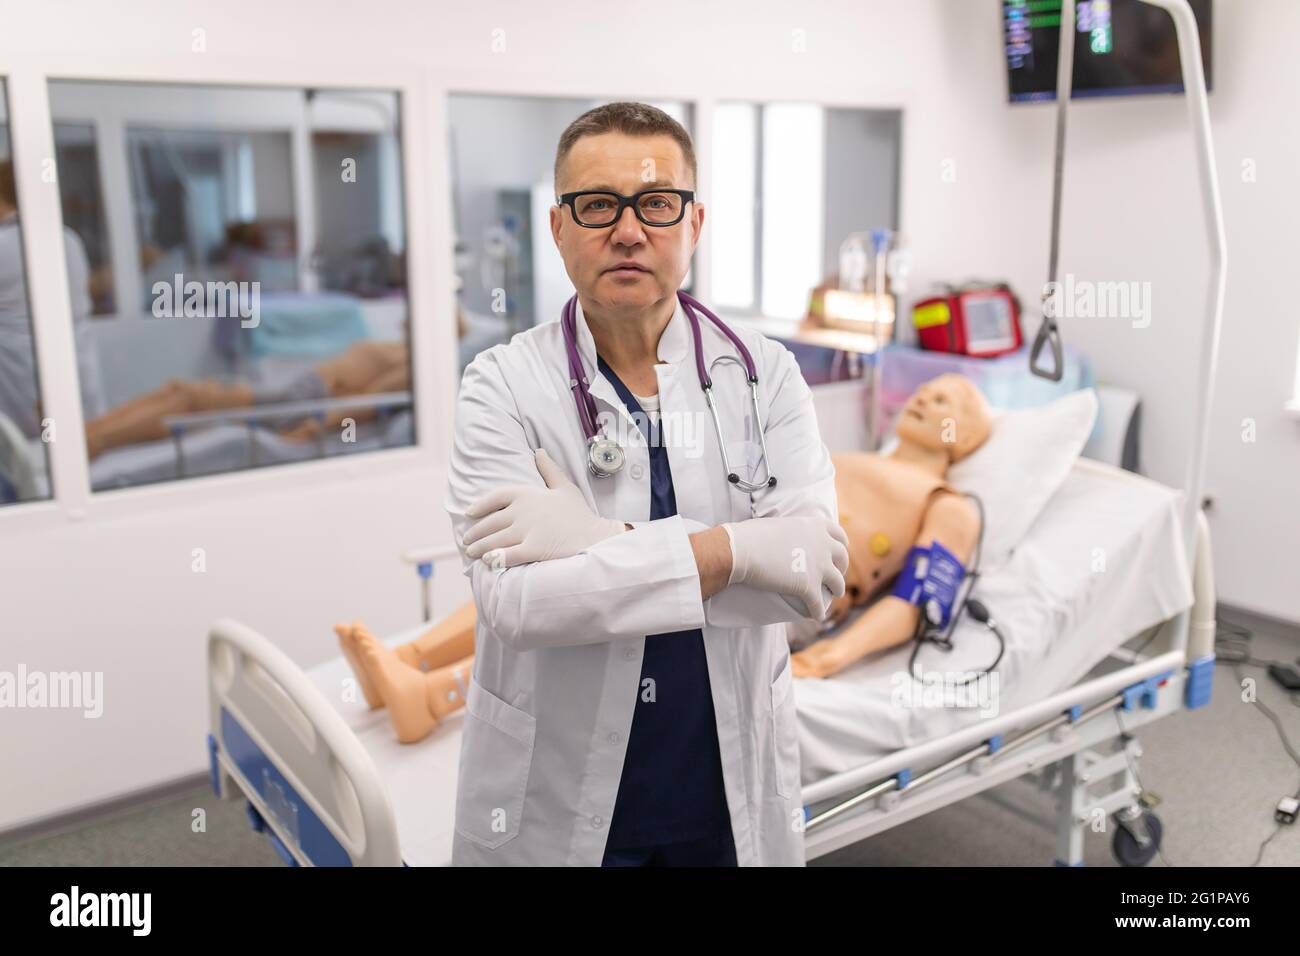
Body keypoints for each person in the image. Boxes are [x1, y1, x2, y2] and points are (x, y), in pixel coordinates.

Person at [443, 102, 848, 867]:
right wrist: (741, 551)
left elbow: (813, 576)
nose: (629, 231)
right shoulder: (500, 386)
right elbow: (518, 604)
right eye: (597, 205)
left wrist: (603, 545)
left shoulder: (766, 375)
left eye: (657, 204)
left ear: (694, 224)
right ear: (558, 227)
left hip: (724, 792)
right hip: (555, 798)